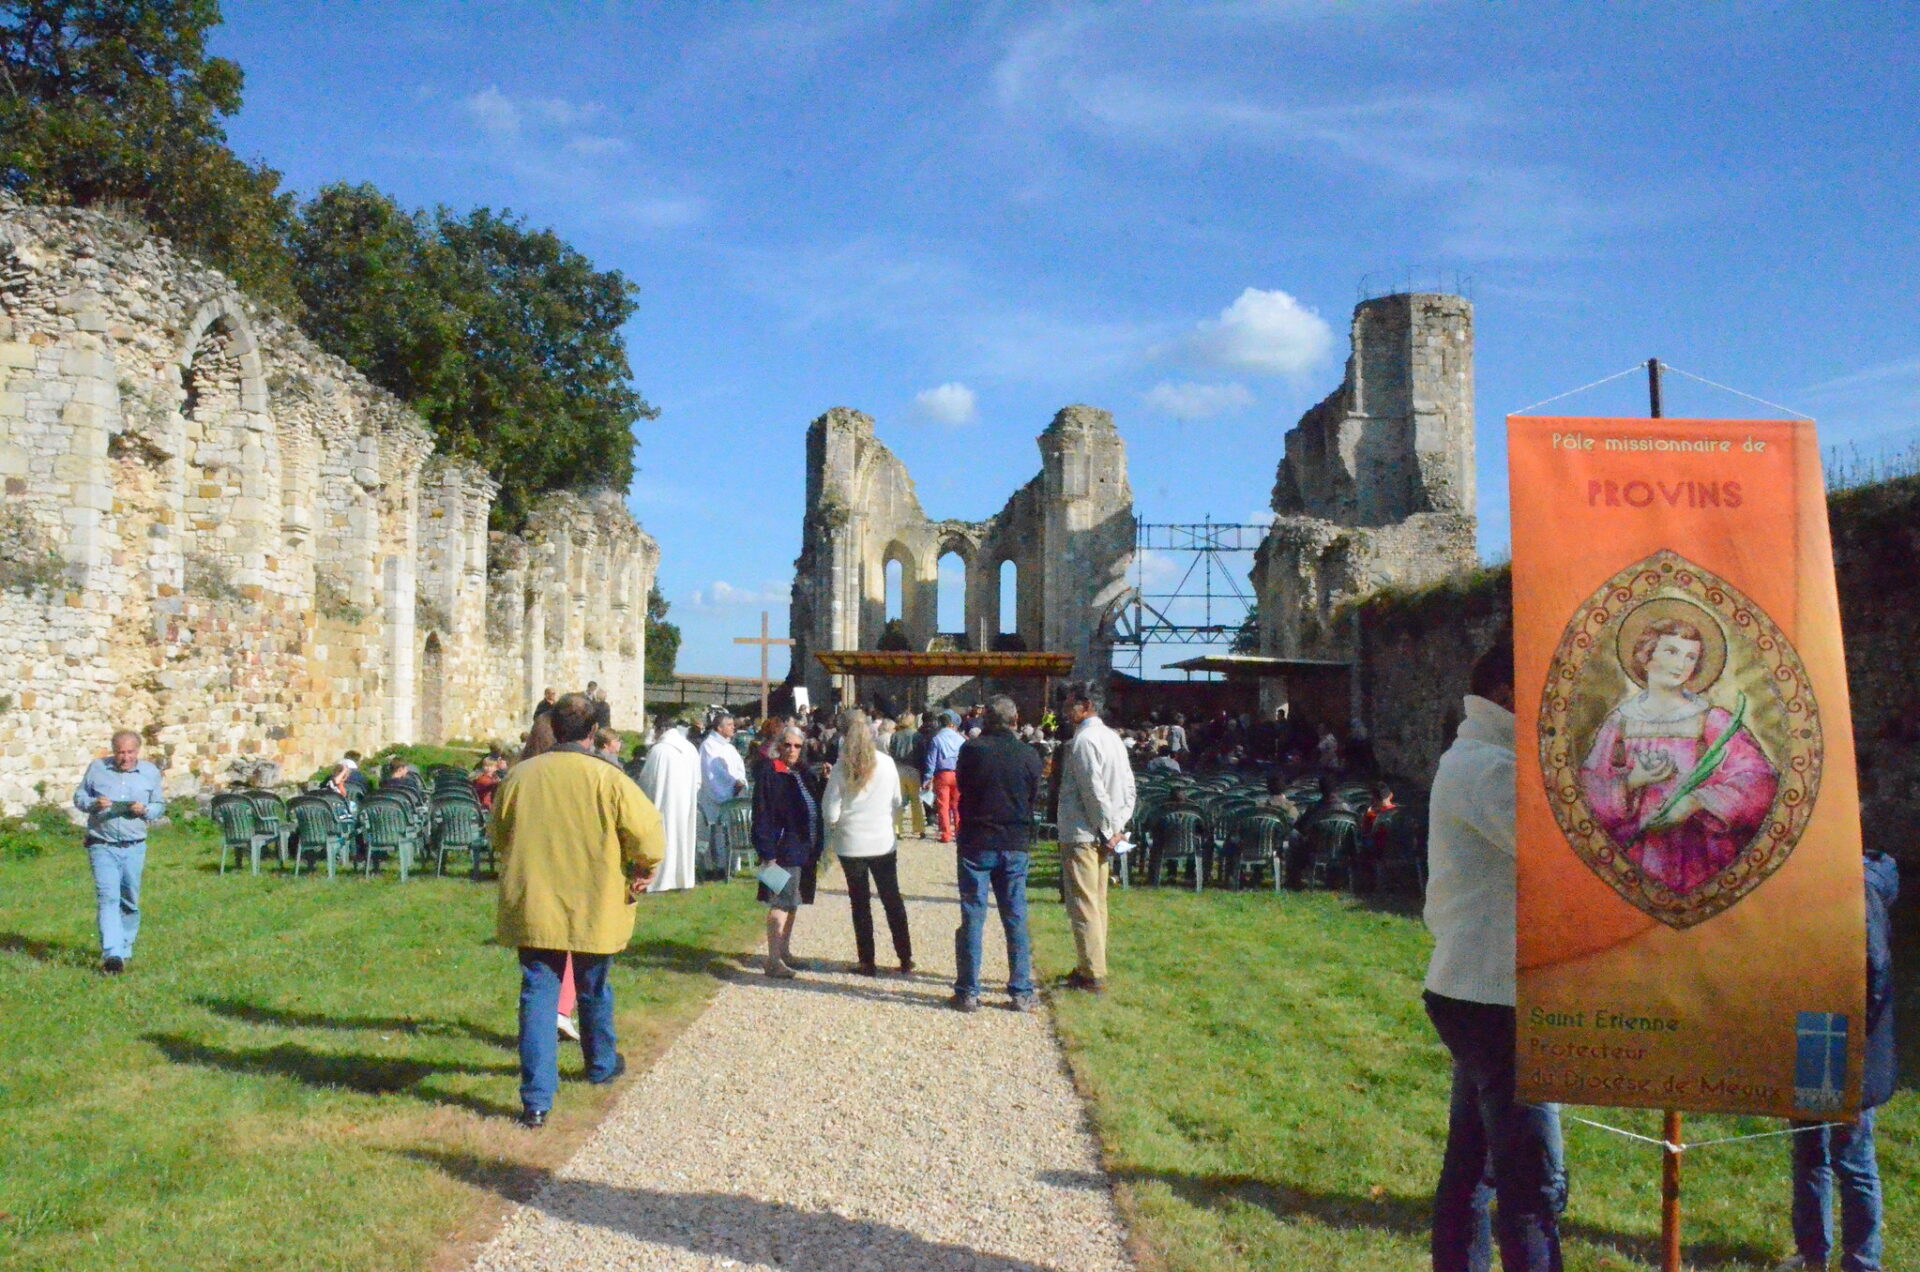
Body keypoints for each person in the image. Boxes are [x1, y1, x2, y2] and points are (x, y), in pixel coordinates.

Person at [1423, 630, 1565, 1271]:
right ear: (1507, 691)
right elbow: (1563, 853)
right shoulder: (1488, 765)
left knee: (1474, 1170)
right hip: (1497, 993)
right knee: (1530, 1186)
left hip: (1478, 986)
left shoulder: (1479, 756)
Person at [493, 693, 665, 1129]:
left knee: (537, 993)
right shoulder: (608, 779)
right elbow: (647, 836)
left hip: (537, 898)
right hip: (594, 897)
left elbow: (497, 833)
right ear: (592, 733)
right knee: (593, 985)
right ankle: (601, 1064)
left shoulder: (521, 776)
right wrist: (644, 868)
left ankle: (536, 1099)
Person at [1578, 613, 1778, 897]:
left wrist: (1696, 802)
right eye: (1671, 651)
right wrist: (1632, 781)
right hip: (1632, 863)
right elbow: (1584, 790)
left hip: (1702, 859)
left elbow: (1761, 781)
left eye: (1690, 657)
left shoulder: (1712, 720)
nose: (1681, 664)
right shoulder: (1619, 723)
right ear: (1645, 654)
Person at [1778, 848, 1899, 1272]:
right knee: (1810, 1152)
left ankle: (1863, 1262)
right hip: (1816, 1032)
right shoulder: (1824, 880)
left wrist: (1850, 1052)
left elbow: (1873, 978)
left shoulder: (1857, 889)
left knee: (1853, 1159)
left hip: (1848, 1047)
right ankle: (1812, 1255)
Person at [951, 695, 1044, 1012]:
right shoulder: (1029, 754)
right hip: (1014, 839)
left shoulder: (972, 750)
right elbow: (1033, 795)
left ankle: (968, 991)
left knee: (973, 915)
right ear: (1015, 721)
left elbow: (962, 785)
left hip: (978, 838)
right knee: (1016, 916)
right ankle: (1020, 990)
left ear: (985, 720)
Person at [1055, 683, 1136, 995]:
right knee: (1097, 903)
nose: (1065, 709)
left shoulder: (1084, 741)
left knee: (1084, 904)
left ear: (1085, 705)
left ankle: (1093, 974)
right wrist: (1118, 826)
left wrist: (1107, 828)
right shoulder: (1112, 738)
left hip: (1085, 832)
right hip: (1104, 830)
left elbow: (1093, 791)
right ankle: (1091, 963)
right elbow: (1129, 787)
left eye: (1070, 703)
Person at [822, 709, 912, 977]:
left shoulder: (842, 766)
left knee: (860, 902)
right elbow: (897, 800)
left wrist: (835, 824)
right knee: (892, 898)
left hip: (852, 842)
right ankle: (905, 956)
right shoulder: (886, 763)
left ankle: (867, 960)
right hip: (882, 839)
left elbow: (831, 810)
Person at [72, 731, 165, 975]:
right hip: (102, 843)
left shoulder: (150, 773)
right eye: (121, 752)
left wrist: (145, 810)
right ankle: (112, 954)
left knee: (129, 900)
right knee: (107, 897)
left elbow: (159, 805)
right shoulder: (97, 768)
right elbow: (79, 796)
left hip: (134, 846)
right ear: (114, 751)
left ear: (138, 751)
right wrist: (93, 804)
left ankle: (125, 947)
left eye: (130, 752)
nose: (125, 757)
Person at [752, 725, 825, 978]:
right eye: (787, 745)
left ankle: (784, 950)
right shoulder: (770, 773)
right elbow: (762, 814)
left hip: (805, 848)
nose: (792, 750)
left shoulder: (802, 772)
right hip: (782, 850)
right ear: (778, 746)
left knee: (794, 901)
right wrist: (766, 852)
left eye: (797, 746)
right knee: (780, 902)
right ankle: (772, 959)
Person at [636, 713, 700, 893]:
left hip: (662, 804)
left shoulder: (658, 751)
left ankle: (660, 880)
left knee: (663, 837)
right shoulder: (690, 748)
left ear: (660, 729)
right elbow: (697, 782)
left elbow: (646, 782)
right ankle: (682, 879)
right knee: (682, 838)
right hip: (685, 804)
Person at [698, 711, 749, 878]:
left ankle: (732, 868)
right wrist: (733, 784)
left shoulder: (729, 747)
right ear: (719, 728)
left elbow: (739, 769)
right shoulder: (708, 746)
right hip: (716, 799)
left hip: (733, 796)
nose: (733, 727)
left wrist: (740, 782)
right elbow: (713, 774)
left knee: (732, 832)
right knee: (718, 833)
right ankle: (718, 868)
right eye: (729, 725)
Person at [924, 710, 965, 843]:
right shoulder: (960, 738)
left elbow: (931, 760)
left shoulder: (937, 739)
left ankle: (946, 833)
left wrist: (928, 777)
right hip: (957, 773)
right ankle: (959, 832)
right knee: (957, 804)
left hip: (942, 774)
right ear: (952, 724)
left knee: (943, 805)